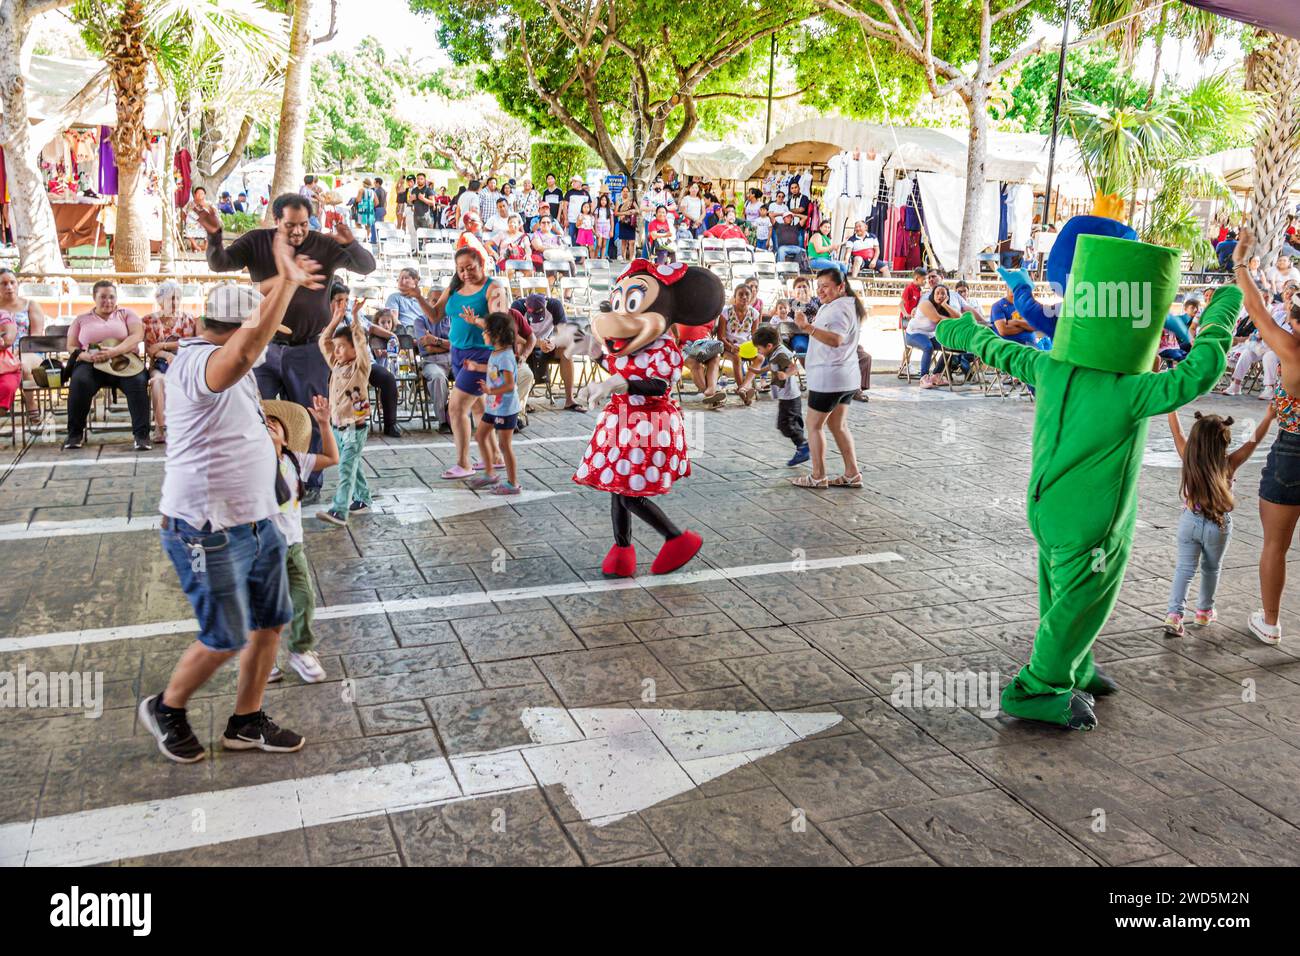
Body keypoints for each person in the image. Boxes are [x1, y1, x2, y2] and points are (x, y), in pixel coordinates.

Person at [935, 223, 1242, 730]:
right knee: (1082, 598)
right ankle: (1037, 686)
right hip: (1092, 521)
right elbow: (1200, 372)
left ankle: (1076, 666)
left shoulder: (1051, 367)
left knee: (1058, 590)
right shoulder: (1131, 389)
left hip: (1046, 506)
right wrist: (1224, 306)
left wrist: (956, 328)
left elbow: (996, 349)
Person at [138, 234, 321, 763]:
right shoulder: (199, 364)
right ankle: (167, 708)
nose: (267, 344)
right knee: (225, 636)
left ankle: (245, 720)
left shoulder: (229, 357)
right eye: (262, 334)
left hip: (259, 522)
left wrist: (281, 282)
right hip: (206, 528)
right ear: (240, 331)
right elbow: (245, 348)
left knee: (271, 624)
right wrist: (285, 281)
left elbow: (248, 339)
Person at [202, 192, 377, 503]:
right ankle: (266, 476)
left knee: (311, 415)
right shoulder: (256, 241)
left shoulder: (323, 244)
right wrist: (214, 235)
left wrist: (351, 243)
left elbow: (367, 266)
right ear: (275, 221)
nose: (297, 232)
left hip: (310, 348)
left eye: (303, 225)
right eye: (290, 226)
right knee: (260, 412)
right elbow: (220, 264)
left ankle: (310, 482)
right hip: (264, 346)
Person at [573, 259, 718, 578]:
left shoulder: (664, 348)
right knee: (617, 487)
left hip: (648, 426)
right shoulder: (631, 348)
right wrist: (599, 367)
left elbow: (659, 384)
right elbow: (617, 369)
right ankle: (622, 550)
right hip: (622, 421)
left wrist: (622, 383)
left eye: (634, 304)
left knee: (629, 493)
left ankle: (676, 538)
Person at [1231, 228, 1300, 645]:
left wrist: (1241, 261)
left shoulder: (1291, 351)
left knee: (1276, 543)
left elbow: (1256, 310)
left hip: (1292, 449)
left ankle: (1270, 623)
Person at [1162, 408, 1273, 637]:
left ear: (1196, 440)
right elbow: (1253, 442)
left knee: (1184, 569)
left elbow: (1177, 433)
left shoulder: (1188, 456)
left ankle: (1174, 615)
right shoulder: (1230, 463)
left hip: (1189, 521)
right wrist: (1268, 417)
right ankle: (1204, 611)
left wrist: (1171, 406)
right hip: (1218, 525)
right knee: (1211, 569)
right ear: (1224, 442)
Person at [263, 396, 338, 683]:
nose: (269, 425)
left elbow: (332, 458)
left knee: (304, 597)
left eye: (274, 423)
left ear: (286, 435)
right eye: (263, 423)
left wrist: (324, 424)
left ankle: (300, 649)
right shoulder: (250, 464)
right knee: (268, 608)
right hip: (263, 550)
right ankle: (261, 657)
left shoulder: (295, 461)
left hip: (293, 546)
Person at [431, 247, 511, 479]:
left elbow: (501, 327)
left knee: (456, 408)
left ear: (481, 264)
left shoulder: (493, 288)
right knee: (477, 406)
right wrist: (417, 296)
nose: (466, 273)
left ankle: (463, 463)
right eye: (461, 269)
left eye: (471, 268)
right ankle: (495, 456)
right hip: (458, 352)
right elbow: (436, 315)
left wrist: (475, 320)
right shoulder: (455, 286)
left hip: (482, 354)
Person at [790, 269, 864, 489]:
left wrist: (807, 327)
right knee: (837, 425)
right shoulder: (843, 305)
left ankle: (818, 475)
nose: (821, 290)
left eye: (826, 285)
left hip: (830, 377)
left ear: (840, 287)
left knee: (814, 425)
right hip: (844, 376)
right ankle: (852, 473)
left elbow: (836, 340)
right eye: (819, 285)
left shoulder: (839, 309)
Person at [63, 280, 152, 451]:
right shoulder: (81, 320)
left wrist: (114, 351)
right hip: (91, 363)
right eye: (103, 297)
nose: (108, 301)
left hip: (124, 360)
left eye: (111, 297)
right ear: (94, 298)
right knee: (79, 381)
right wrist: (85, 356)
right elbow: (71, 345)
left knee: (138, 381)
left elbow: (136, 335)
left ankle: (141, 435)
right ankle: (74, 434)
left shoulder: (126, 314)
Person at [315, 294, 373, 527]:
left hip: (354, 426)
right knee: (351, 464)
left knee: (346, 468)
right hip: (337, 426)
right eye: (336, 348)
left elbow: (360, 342)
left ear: (354, 350)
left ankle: (340, 510)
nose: (336, 351)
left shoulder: (360, 366)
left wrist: (355, 317)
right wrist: (336, 318)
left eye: (342, 347)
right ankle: (363, 498)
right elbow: (323, 341)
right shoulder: (337, 365)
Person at [463, 311, 522, 495]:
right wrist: (476, 367)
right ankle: (490, 473)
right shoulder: (497, 352)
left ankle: (513, 483)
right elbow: (493, 370)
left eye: (486, 331)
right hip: (494, 406)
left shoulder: (504, 356)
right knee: (480, 436)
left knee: (505, 446)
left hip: (505, 409)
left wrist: (490, 391)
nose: (483, 333)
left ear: (496, 335)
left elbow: (510, 385)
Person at [141, 281, 199, 444]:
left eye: (178, 298)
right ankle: (159, 428)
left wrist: (164, 345)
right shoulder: (148, 321)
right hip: (160, 365)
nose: (175, 303)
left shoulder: (188, 319)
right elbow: (151, 350)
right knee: (158, 381)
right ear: (160, 301)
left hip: (185, 364)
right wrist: (166, 354)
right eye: (171, 299)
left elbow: (190, 344)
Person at [751, 323, 808, 466]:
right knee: (792, 423)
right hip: (788, 396)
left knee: (785, 425)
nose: (759, 351)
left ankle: (804, 446)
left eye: (759, 348)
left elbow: (793, 368)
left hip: (789, 396)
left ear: (769, 346)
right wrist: (760, 371)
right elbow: (772, 365)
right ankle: (802, 448)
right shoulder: (775, 352)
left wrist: (785, 374)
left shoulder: (781, 354)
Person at [514, 293, 582, 411]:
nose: (536, 319)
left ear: (545, 304)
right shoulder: (517, 307)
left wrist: (553, 343)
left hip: (547, 342)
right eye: (533, 315)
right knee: (519, 347)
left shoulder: (555, 305)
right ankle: (522, 402)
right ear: (525, 305)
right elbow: (514, 336)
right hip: (527, 344)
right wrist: (538, 343)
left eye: (539, 315)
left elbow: (563, 333)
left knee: (566, 348)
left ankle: (570, 400)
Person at [0, 266, 48, 426]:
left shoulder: (30, 305)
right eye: (4, 283)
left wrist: (18, 350)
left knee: (23, 364)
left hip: (30, 351)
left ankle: (31, 406)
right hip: (3, 353)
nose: (9, 287)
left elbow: (36, 336)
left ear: (18, 284)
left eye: (12, 282)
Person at [905, 283, 961, 388]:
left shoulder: (945, 306)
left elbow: (959, 317)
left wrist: (945, 305)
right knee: (928, 347)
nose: (940, 296)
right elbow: (936, 318)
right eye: (937, 293)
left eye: (943, 294)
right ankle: (924, 378)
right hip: (914, 333)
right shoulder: (926, 304)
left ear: (947, 296)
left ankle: (936, 375)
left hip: (929, 335)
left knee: (951, 346)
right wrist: (953, 319)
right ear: (933, 295)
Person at [720, 283, 759, 401]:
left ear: (751, 296)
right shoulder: (725, 312)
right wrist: (731, 347)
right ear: (735, 297)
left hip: (746, 347)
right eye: (740, 294)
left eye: (747, 294)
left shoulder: (754, 314)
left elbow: (755, 336)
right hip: (728, 347)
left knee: (760, 358)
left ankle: (743, 387)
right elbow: (721, 336)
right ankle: (743, 392)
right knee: (737, 357)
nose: (744, 297)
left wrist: (755, 347)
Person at [183, 186, 210, 253]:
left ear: (204, 195)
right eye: (198, 193)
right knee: (189, 226)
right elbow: (183, 212)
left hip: (204, 224)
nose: (200, 195)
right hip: (192, 224)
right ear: (195, 195)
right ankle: (195, 245)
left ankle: (199, 247)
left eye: (202, 193)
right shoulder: (190, 203)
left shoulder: (208, 203)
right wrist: (185, 220)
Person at [615, 189, 639, 261]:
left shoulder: (632, 201)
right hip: (622, 222)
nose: (625, 193)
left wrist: (633, 211)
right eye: (624, 191)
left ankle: (631, 259)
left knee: (632, 242)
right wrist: (625, 213)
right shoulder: (619, 201)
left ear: (629, 192)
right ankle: (623, 258)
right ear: (621, 192)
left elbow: (638, 211)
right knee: (624, 241)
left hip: (631, 223)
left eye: (626, 191)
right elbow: (616, 213)